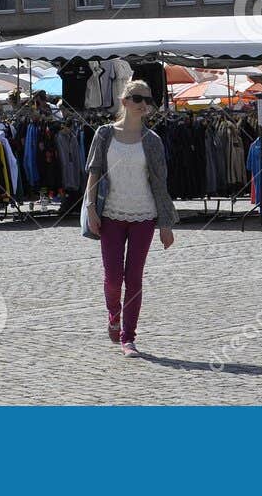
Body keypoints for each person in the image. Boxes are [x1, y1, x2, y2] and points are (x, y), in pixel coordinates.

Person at [83, 80, 177, 357]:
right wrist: (90, 208)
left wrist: (165, 224)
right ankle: (113, 314)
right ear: (124, 101)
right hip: (110, 213)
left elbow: (160, 183)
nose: (143, 104)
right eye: (137, 98)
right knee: (113, 278)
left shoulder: (153, 141)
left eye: (147, 100)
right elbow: (94, 171)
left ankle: (129, 337)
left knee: (133, 278)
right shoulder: (104, 134)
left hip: (144, 215)